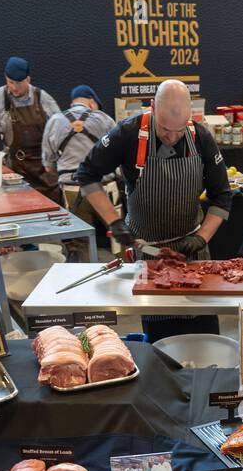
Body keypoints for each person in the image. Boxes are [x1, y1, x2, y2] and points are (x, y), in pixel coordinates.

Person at [74, 80, 232, 339]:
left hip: (193, 252)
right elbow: (87, 175)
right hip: (149, 254)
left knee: (205, 337)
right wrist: (114, 223)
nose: (171, 137)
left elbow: (222, 197)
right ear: (152, 107)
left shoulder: (201, 136)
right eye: (164, 129)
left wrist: (200, 238)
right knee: (162, 343)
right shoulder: (127, 133)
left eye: (179, 131)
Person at [42, 84, 116, 250]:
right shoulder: (103, 118)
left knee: (81, 244)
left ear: (73, 103)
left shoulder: (54, 121)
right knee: (118, 238)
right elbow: (120, 155)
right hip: (104, 189)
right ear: (91, 102)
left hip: (72, 190)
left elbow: (48, 167)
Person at [0, 56, 62, 200]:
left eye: (19, 83)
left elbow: (61, 127)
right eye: (10, 82)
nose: (14, 87)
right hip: (15, 170)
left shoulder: (42, 98)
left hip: (44, 170)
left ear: (28, 80)